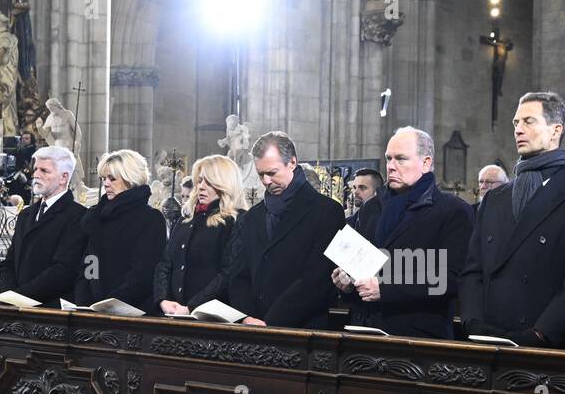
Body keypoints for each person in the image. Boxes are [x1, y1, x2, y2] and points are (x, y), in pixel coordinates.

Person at [459, 92, 565, 347]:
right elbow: (473, 270)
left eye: (529, 122)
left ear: (555, 130)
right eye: (516, 123)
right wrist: (472, 321)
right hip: (487, 337)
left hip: (545, 341)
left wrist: (541, 332)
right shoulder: (494, 198)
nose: (518, 129)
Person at [333, 127, 472, 339]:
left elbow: (452, 279)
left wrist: (386, 289)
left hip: (417, 338)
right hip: (363, 333)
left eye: (401, 159)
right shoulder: (372, 207)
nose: (391, 166)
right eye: (388, 158)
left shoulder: (452, 211)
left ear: (425, 163)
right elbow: (361, 266)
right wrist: (347, 281)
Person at [229, 131, 345, 328]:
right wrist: (246, 317)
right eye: (260, 174)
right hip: (253, 327)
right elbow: (238, 274)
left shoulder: (327, 211)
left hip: (303, 330)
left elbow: (317, 279)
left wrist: (271, 322)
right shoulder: (251, 217)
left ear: (292, 162)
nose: (265, 181)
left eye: (272, 173)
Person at [153, 154, 247, 316]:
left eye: (209, 182)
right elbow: (165, 264)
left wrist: (192, 307)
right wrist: (162, 299)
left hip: (211, 318)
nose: (201, 187)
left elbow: (228, 273)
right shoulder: (186, 219)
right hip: (173, 313)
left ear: (225, 183)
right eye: (200, 180)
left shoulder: (236, 220)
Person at [74, 149, 165, 311]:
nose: (106, 183)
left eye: (112, 178)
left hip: (131, 312)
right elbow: (90, 263)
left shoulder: (150, 219)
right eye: (103, 178)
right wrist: (85, 301)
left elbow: (142, 274)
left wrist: (110, 304)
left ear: (131, 179)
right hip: (93, 310)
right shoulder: (98, 217)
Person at [0, 146, 88, 305]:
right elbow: (9, 261)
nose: (36, 175)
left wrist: (19, 297)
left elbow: (62, 270)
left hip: (50, 312)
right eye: (35, 169)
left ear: (63, 177)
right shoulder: (26, 214)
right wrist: (8, 295)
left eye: (44, 171)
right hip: (14, 308)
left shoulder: (78, 216)